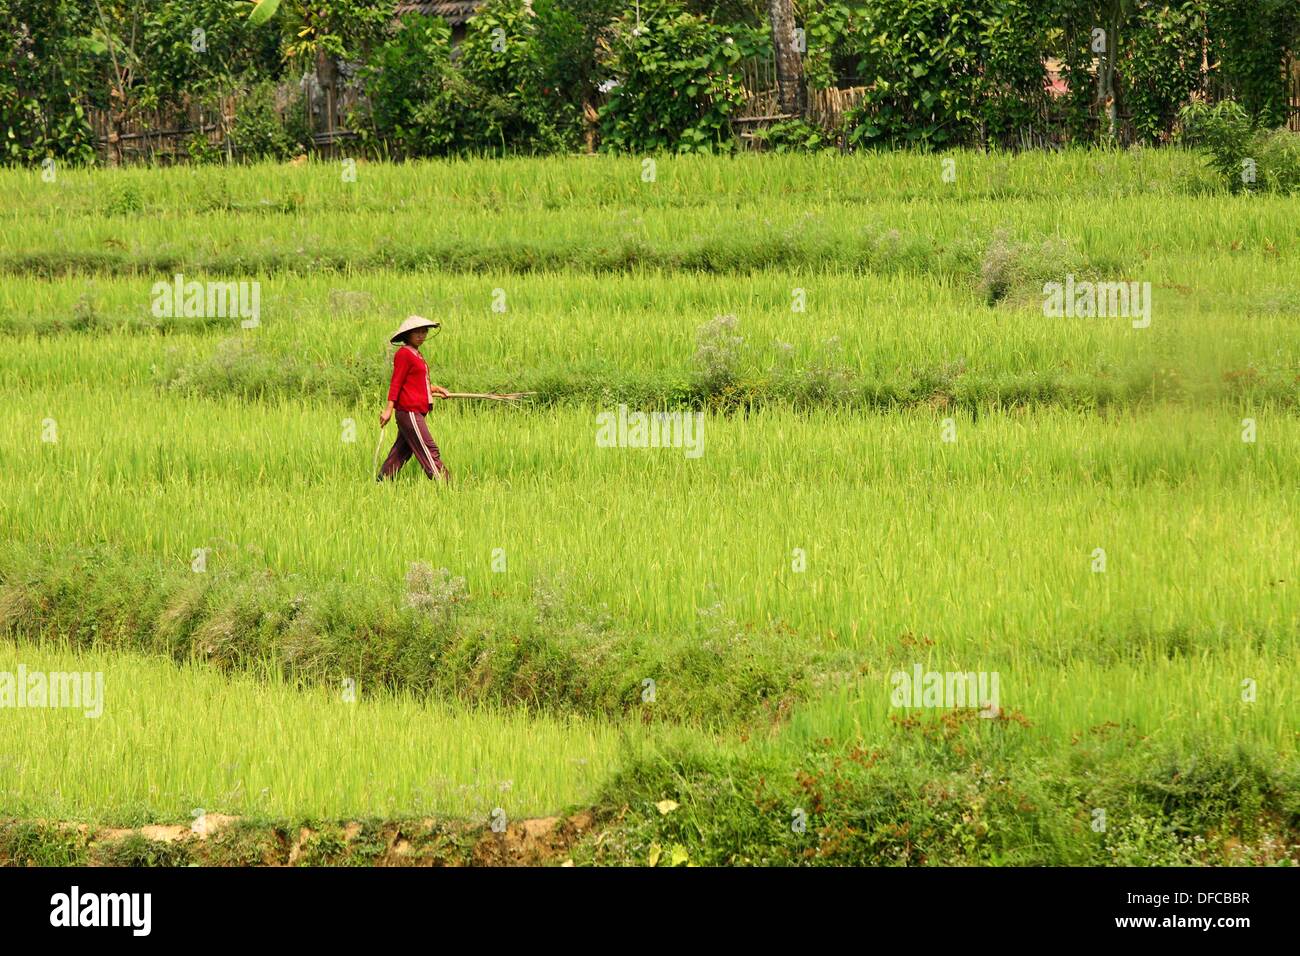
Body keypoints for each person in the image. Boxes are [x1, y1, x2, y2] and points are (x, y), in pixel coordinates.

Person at [378, 315, 451, 482]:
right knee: (428, 447)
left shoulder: (417, 355)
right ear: (408, 335)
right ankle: (445, 484)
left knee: (401, 451)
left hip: (416, 411)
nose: (421, 335)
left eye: (424, 332)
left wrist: (437, 389)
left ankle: (382, 482)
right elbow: (396, 382)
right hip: (409, 411)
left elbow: (416, 384)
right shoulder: (404, 354)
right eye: (416, 332)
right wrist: (388, 409)